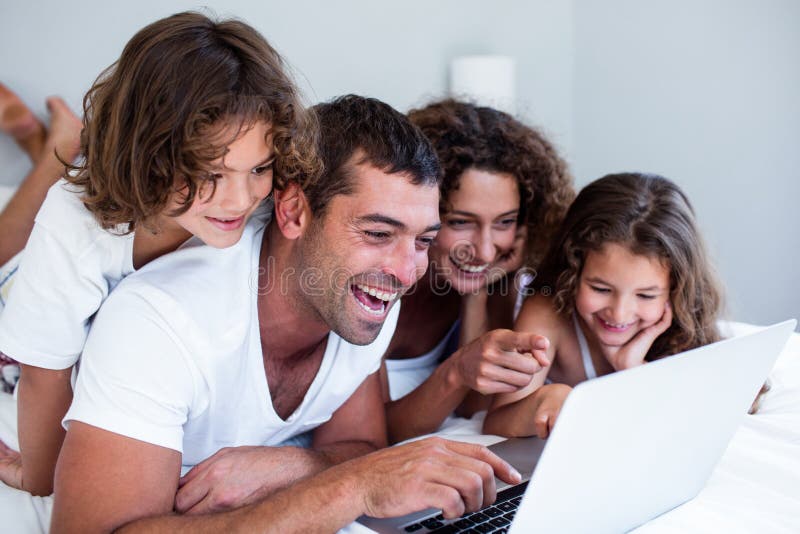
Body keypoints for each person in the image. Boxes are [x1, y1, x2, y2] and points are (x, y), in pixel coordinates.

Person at [41, 94, 522, 533]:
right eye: (377, 233)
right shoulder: (158, 321)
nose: (406, 272)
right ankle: (52, 149)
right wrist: (351, 487)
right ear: (293, 211)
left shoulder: (366, 300)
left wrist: (285, 466)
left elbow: (361, 448)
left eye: (422, 240)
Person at [0, 12, 319, 496]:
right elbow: (45, 371)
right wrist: (39, 477)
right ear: (149, 155)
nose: (238, 200)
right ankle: (55, 148)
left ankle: (56, 147)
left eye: (259, 168)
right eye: (211, 173)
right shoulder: (76, 228)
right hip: (23, 302)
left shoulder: (264, 208)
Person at [381, 99, 575, 443]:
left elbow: (473, 406)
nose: (485, 249)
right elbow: (381, 433)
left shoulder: (501, 283)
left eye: (504, 222)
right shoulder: (378, 282)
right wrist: (457, 371)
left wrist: (476, 294)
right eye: (460, 222)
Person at [483, 172, 724, 438]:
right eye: (600, 289)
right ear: (572, 271)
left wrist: (635, 369)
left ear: (677, 291)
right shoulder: (548, 312)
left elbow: (715, 406)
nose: (619, 313)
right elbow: (496, 423)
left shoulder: (681, 323)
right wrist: (546, 398)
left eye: (645, 296)